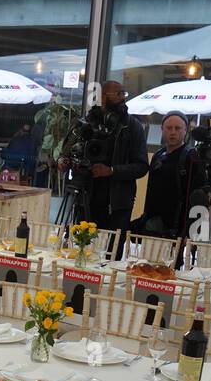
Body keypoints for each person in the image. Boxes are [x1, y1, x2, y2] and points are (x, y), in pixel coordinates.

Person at [59, 81, 147, 258]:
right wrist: (63, 160)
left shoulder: (132, 126)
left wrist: (112, 170)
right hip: (86, 199)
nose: (123, 98)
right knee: (82, 252)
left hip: (117, 205)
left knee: (112, 257)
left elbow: (142, 166)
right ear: (104, 97)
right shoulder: (84, 124)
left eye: (124, 94)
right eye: (119, 93)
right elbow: (65, 152)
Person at [136, 110, 205, 240]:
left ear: (185, 131)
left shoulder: (191, 157)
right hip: (153, 223)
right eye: (169, 128)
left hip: (176, 227)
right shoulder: (158, 155)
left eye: (177, 128)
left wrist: (187, 230)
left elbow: (195, 196)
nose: (173, 132)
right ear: (162, 130)